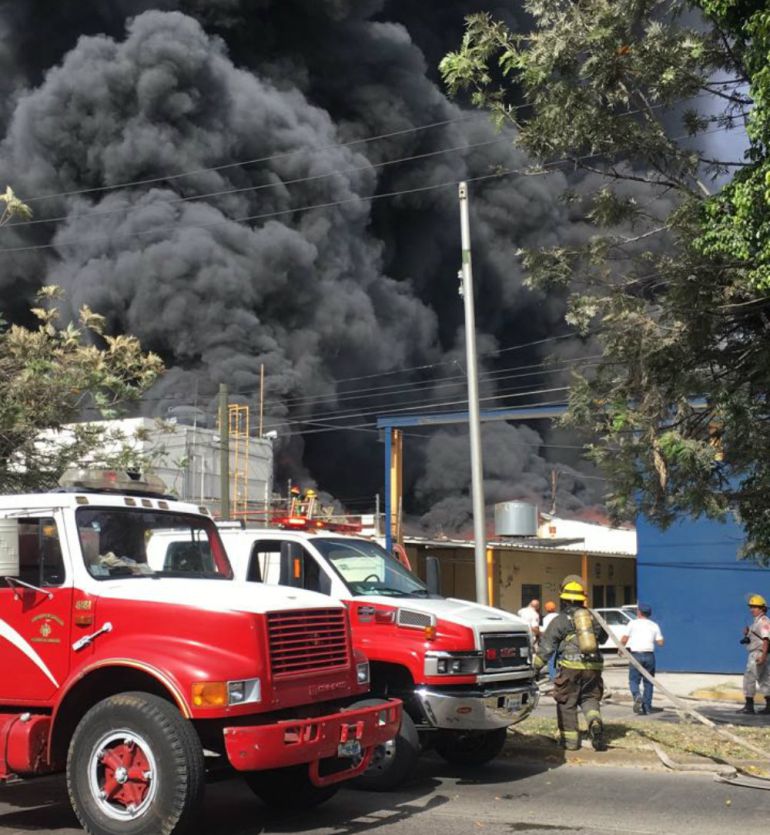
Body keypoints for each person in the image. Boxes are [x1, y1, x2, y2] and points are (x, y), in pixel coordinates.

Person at [533, 576, 608, 751]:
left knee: (567, 701)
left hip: (570, 668)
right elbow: (603, 639)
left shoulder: (560, 620)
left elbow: (546, 647)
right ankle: (595, 723)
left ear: (563, 599)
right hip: (594, 667)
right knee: (590, 698)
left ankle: (571, 741)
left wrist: (535, 668)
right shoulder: (592, 617)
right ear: (583, 599)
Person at [620, 603, 663, 715]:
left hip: (636, 655)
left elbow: (625, 639)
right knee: (649, 682)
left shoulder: (633, 623)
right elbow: (660, 642)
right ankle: (647, 708)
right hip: (649, 656)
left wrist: (620, 649)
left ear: (639, 612)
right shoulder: (654, 625)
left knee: (633, 680)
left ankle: (637, 695)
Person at [739, 594, 770, 715]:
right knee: (765, 679)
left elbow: (766, 639)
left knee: (749, 678)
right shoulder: (757, 622)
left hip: (758, 653)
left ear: (762, 608)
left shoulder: (763, 622)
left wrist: (762, 656)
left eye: (755, 607)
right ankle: (769, 706)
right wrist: (748, 633)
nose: (752, 609)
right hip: (764, 653)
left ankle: (749, 706)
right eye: (751, 607)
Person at [542, 601, 559, 680]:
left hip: (551, 640)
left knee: (552, 660)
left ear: (546, 609)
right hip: (561, 639)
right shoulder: (558, 616)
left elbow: (546, 630)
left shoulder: (546, 618)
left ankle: (553, 677)